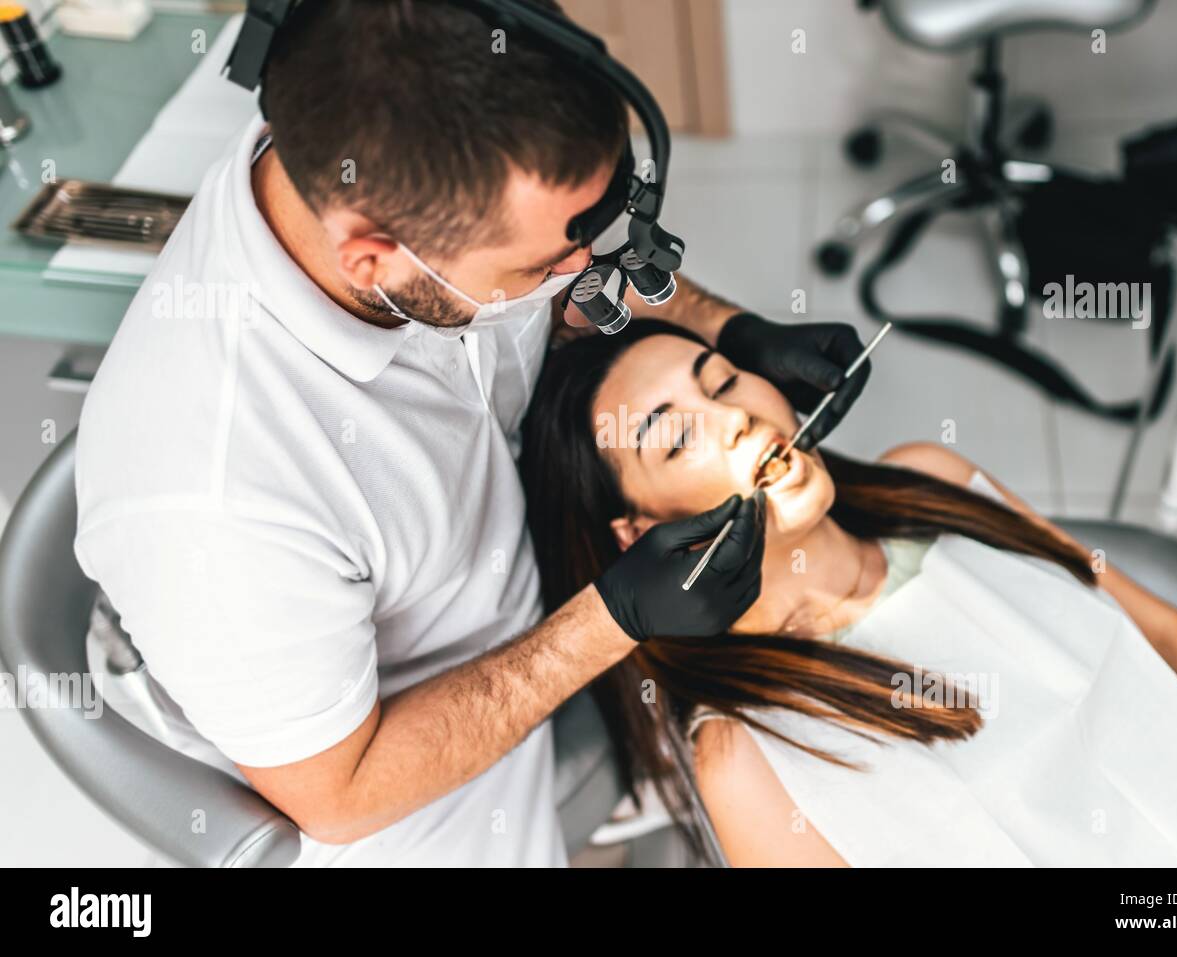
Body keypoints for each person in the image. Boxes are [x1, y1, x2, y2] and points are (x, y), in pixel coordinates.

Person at [72, 0, 872, 865]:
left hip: (525, 586)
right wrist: (611, 619)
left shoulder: (385, 165)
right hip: (419, 806)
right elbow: (339, 795)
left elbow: (568, 274)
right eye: (538, 266)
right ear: (373, 259)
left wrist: (727, 328)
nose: (582, 272)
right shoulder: (217, 488)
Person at [519, 320, 1177, 867]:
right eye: (678, 436)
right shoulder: (742, 753)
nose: (734, 418)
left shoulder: (934, 478)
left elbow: (1165, 634)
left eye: (722, 381)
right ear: (637, 534)